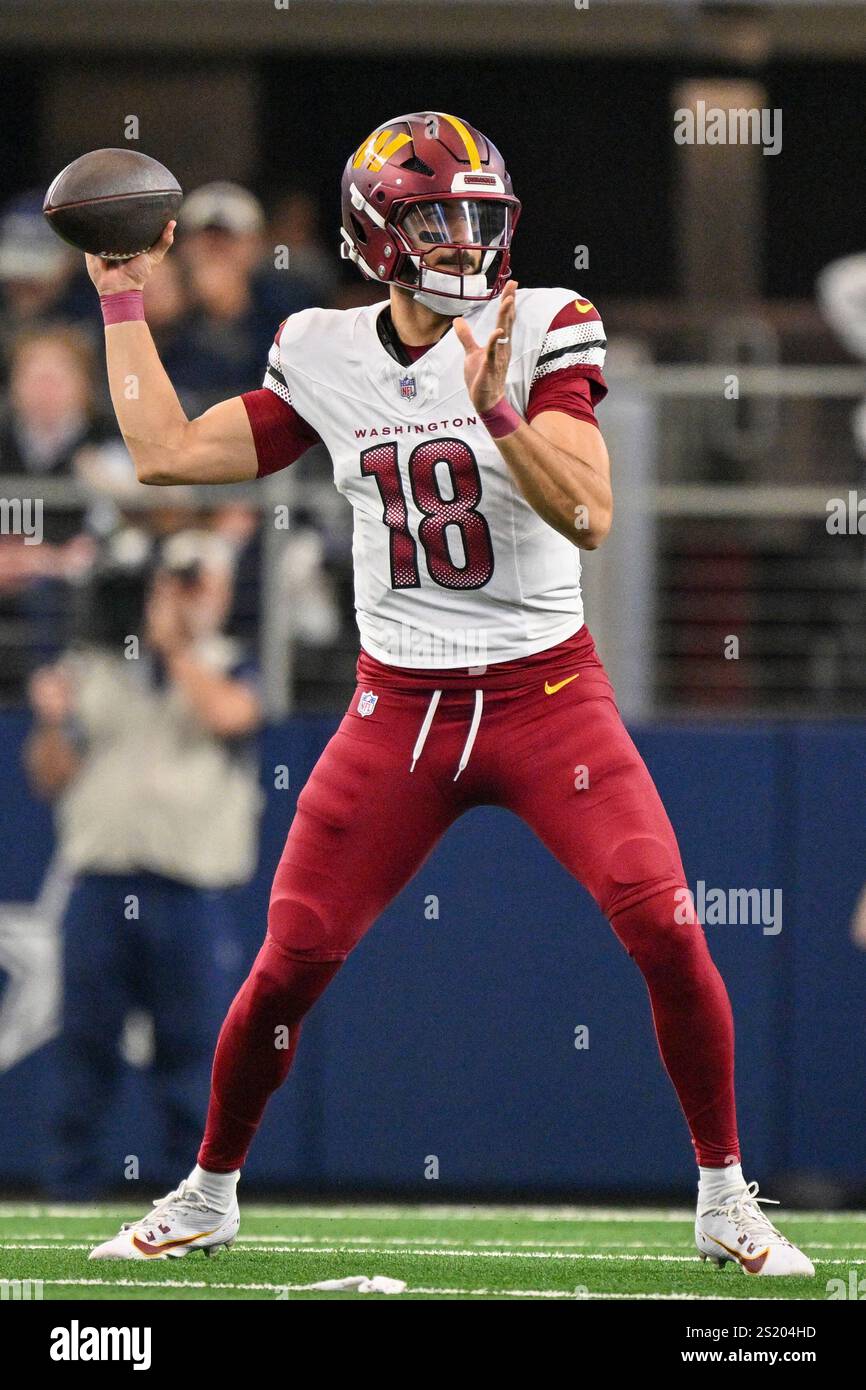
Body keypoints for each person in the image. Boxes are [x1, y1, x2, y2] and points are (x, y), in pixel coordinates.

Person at [83, 111, 813, 1275]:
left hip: (548, 695)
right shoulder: (321, 349)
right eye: (436, 219)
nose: (465, 242)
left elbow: (588, 513)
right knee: (292, 954)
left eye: (479, 217)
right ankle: (208, 1191)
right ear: (378, 235)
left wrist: (499, 411)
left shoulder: (542, 325)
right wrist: (122, 298)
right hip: (398, 710)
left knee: (667, 926)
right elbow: (167, 452)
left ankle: (725, 1194)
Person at [25, 530, 263, 1197]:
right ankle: (67, 1197)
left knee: (193, 1058)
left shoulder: (232, 663)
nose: (183, 598)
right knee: (84, 1052)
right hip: (100, 886)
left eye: (196, 585)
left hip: (190, 893)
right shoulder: (96, 669)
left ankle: (190, 1199)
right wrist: (49, 722)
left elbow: (229, 715)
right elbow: (49, 776)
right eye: (172, 584)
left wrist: (175, 646)